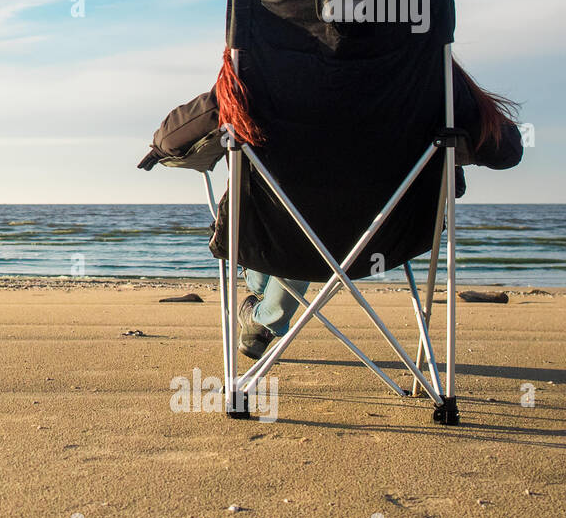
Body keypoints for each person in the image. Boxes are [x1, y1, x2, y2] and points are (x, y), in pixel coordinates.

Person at [140, 59, 523, 360]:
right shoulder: (424, 66)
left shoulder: (264, 61)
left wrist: (160, 147)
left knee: (293, 210)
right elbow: (506, 150)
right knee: (308, 215)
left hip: (287, 222)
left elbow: (179, 135)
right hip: (390, 232)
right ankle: (263, 314)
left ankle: (263, 318)